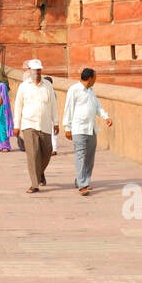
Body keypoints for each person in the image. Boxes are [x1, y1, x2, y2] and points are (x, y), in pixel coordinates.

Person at [62, 67, 113, 195]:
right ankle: (82, 185)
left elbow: (97, 107)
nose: (95, 80)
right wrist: (67, 128)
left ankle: (83, 180)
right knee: (80, 155)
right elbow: (68, 109)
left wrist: (106, 117)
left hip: (91, 129)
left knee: (89, 157)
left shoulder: (91, 91)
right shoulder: (74, 90)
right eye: (95, 77)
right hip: (78, 128)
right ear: (90, 78)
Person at [13, 59, 58, 194]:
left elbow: (53, 105)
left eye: (39, 70)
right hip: (29, 124)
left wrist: (56, 122)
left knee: (47, 151)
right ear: (30, 71)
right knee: (33, 154)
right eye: (35, 70)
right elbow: (18, 106)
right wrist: (17, 125)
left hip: (44, 124)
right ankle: (34, 184)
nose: (37, 73)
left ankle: (39, 172)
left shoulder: (47, 86)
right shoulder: (23, 87)